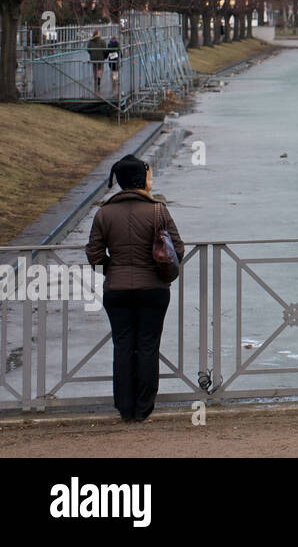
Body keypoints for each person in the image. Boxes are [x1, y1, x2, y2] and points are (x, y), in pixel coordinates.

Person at [85, 154, 184, 423]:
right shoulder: (158, 210)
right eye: (150, 174)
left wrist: (112, 269)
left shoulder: (103, 212)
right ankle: (143, 408)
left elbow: (94, 254)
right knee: (148, 346)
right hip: (153, 289)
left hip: (116, 290)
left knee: (123, 346)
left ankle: (125, 408)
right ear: (142, 179)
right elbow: (178, 249)